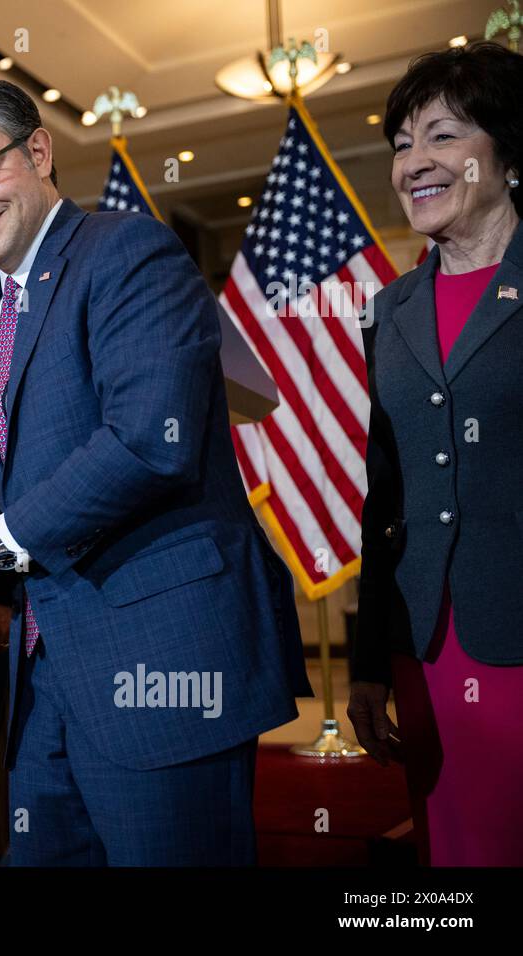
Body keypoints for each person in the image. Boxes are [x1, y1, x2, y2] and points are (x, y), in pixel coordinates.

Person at [0, 75, 310, 866]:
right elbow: (11, 484)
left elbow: (150, 442)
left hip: (162, 660)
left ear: (38, 150)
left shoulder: (128, 251)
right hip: (45, 673)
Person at [348, 42, 523, 866]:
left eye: (443, 136)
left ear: (506, 153)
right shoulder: (392, 308)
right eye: (402, 144)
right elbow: (386, 499)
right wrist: (368, 661)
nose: (415, 161)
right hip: (425, 651)